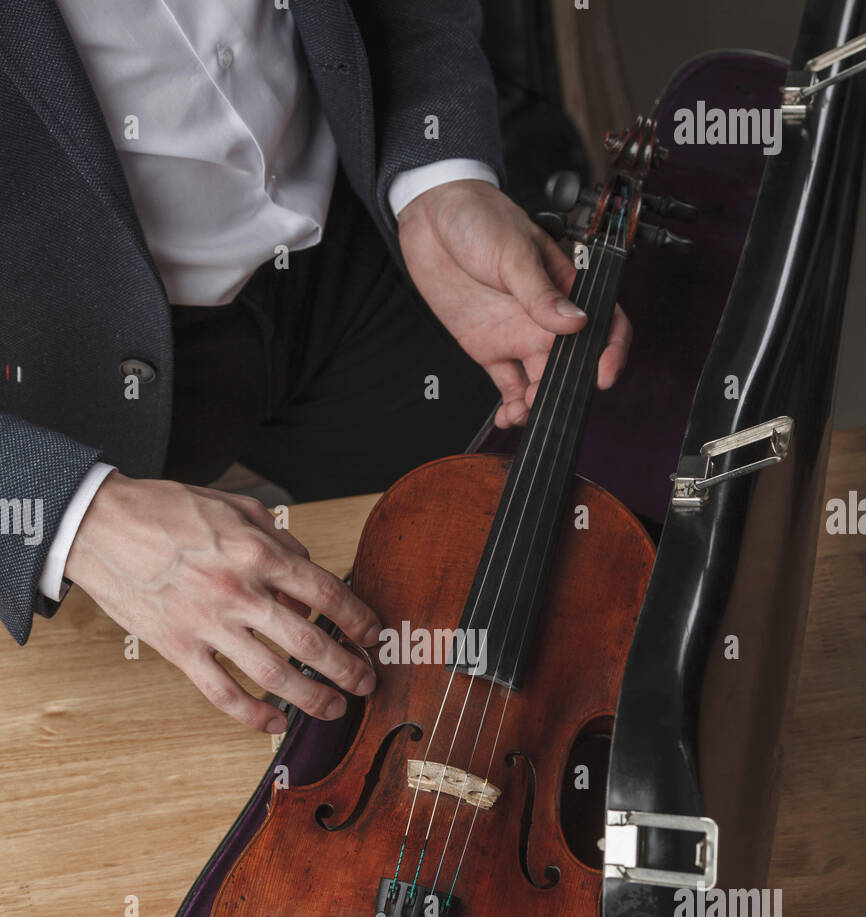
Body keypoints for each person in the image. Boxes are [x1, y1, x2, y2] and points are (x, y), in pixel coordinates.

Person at [0, 0, 630, 736]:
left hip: (360, 254)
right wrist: (74, 515)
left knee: (569, 582)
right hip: (45, 385)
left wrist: (439, 181)